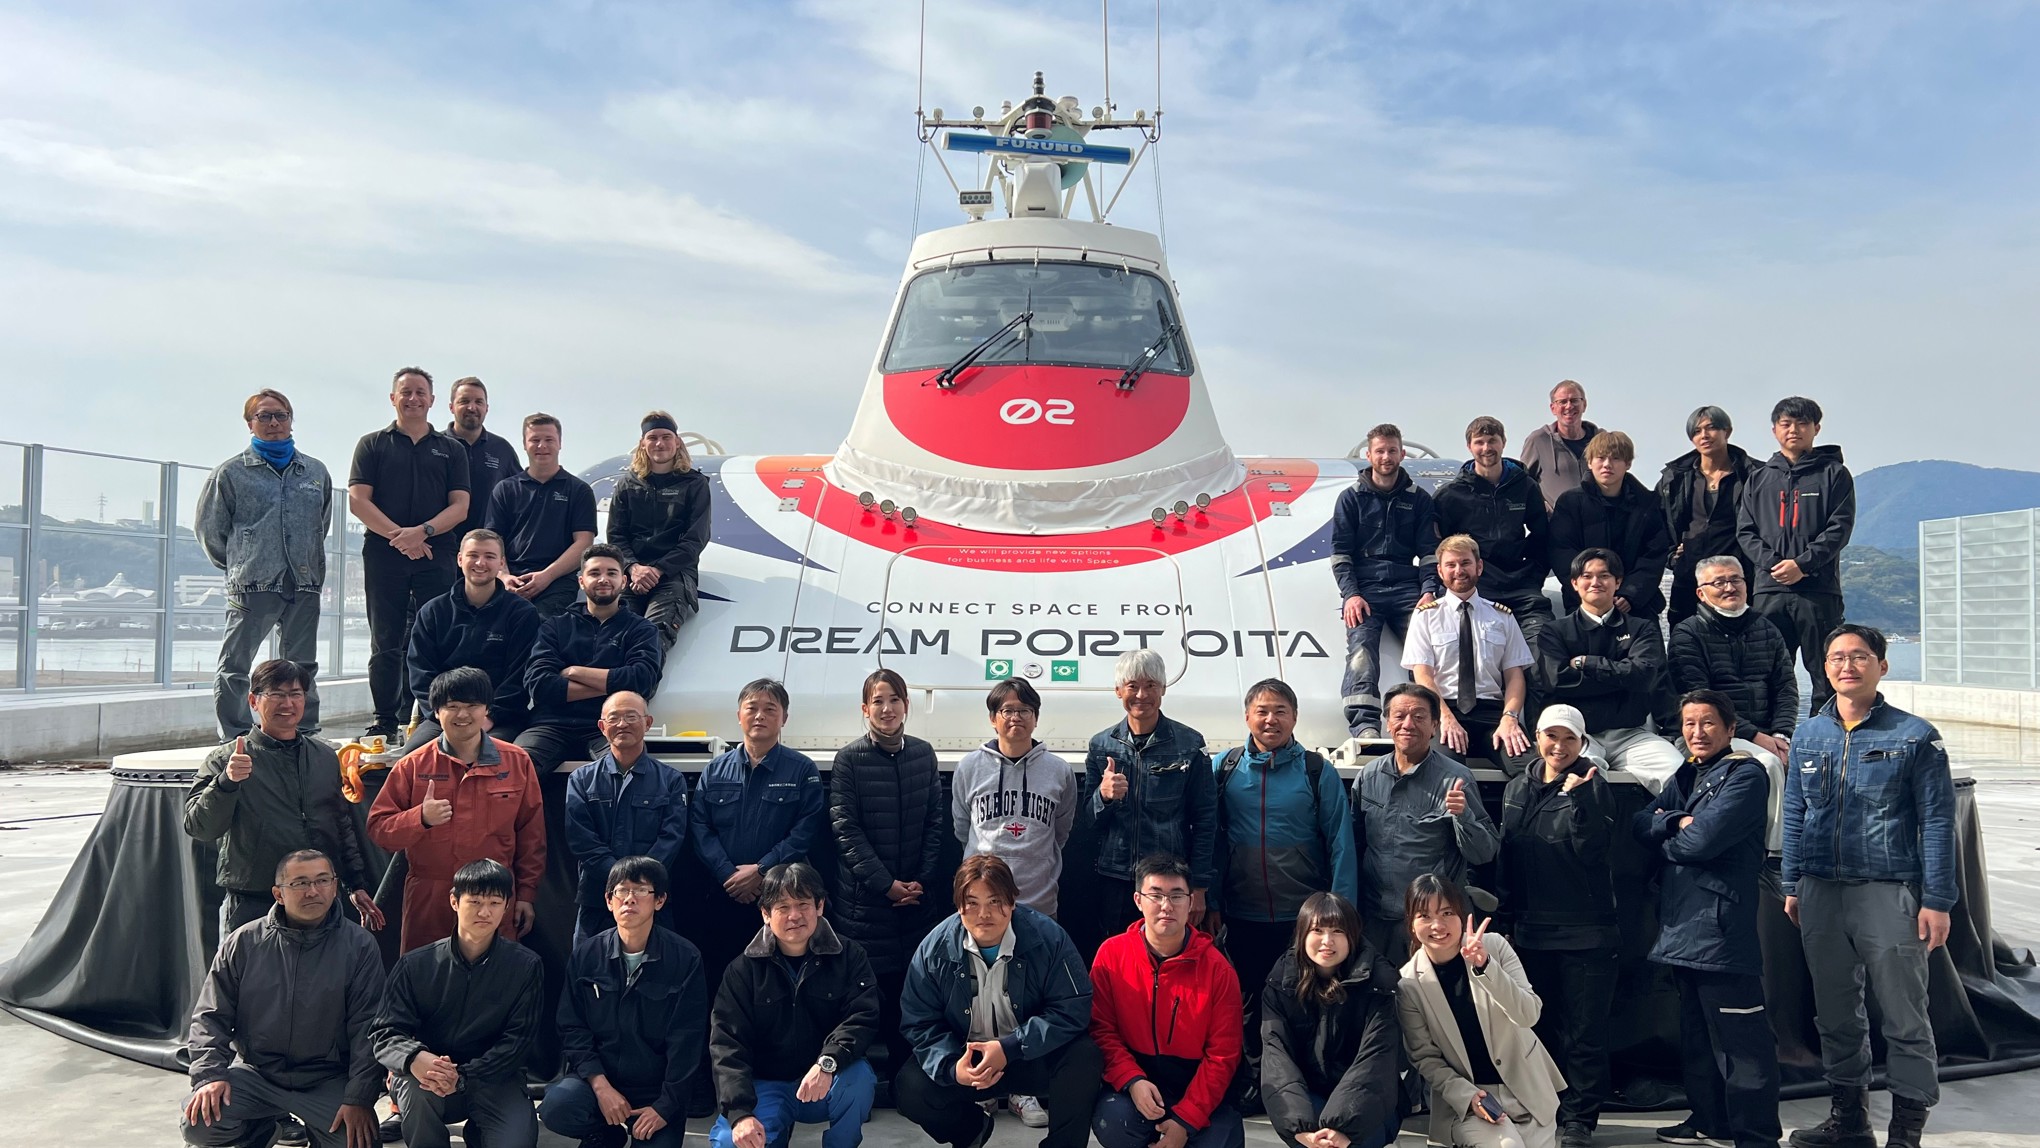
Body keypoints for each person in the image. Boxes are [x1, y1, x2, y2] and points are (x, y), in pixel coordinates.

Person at [1782, 625, 1957, 1148]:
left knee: (1905, 1016)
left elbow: (1938, 822)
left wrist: (1938, 900)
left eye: (1859, 656)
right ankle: (1849, 1120)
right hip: (1819, 890)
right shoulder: (1809, 734)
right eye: (1837, 657)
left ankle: (1905, 1131)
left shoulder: (1915, 736)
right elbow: (1795, 813)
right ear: (1824, 667)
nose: (1847, 666)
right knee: (1835, 1013)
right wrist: (1792, 882)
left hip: (1889, 891)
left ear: (1882, 666)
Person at [1632, 690, 1779, 1148]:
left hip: (1721, 929)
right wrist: (1676, 823)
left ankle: (1756, 1136)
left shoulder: (1745, 776)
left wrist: (1669, 832)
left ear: (1731, 729)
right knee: (1696, 1036)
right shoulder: (1688, 772)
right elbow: (1641, 822)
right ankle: (1709, 1123)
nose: (1697, 732)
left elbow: (1701, 844)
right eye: (1689, 723)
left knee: (1742, 1039)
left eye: (1708, 722)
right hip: (1681, 927)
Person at [1216, 678, 1359, 1108]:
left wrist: (1340, 914)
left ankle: (1304, 1082)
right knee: (1249, 1005)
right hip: (1242, 913)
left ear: (1295, 717)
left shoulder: (1317, 771)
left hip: (1303, 920)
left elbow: (1341, 843)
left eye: (1280, 711)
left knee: (1305, 1003)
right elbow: (1207, 836)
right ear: (1247, 716)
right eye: (1262, 710)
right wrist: (1211, 901)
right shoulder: (1225, 767)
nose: (1270, 719)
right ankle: (1257, 1083)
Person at [895, 854, 1103, 1148]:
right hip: (967, 1058)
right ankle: (971, 1131)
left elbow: (1073, 1008)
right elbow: (919, 1021)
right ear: (958, 905)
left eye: (995, 901)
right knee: (910, 1087)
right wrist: (952, 1067)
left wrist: (1011, 1047)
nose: (984, 914)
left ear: (1013, 901)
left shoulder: (1049, 939)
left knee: (1083, 1055)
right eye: (972, 903)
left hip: (1029, 1055)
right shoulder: (934, 950)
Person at [182, 850, 385, 1148]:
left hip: (327, 1078)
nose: (313, 891)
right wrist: (210, 1076)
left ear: (334, 886)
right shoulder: (244, 942)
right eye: (300, 883)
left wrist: (359, 1098)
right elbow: (210, 1016)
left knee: (358, 1141)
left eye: (322, 880)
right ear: (278, 894)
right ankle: (260, 1131)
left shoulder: (359, 946)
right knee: (200, 1123)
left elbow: (368, 1028)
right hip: (258, 1073)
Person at [185, 659, 380, 936]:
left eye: (295, 694)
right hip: (254, 899)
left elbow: (341, 824)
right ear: (253, 701)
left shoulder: (324, 757)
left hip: (318, 897)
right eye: (276, 694)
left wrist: (355, 883)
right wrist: (226, 782)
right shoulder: (225, 759)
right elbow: (198, 827)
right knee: (247, 965)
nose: (287, 704)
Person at [1499, 706, 1618, 1148]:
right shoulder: (1516, 787)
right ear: (1536, 737)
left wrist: (1582, 800)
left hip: (1586, 934)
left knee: (1585, 1035)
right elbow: (1507, 858)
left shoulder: (1593, 785)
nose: (1559, 746)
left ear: (1582, 743)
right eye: (1552, 736)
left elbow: (1594, 852)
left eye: (1570, 738)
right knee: (1537, 1032)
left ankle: (1579, 1121)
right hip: (1530, 934)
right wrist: (1506, 922)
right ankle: (1545, 1112)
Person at [367, 666, 545, 953]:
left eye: (472, 706)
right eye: (452, 706)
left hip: (494, 897)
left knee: (496, 973)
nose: (463, 715)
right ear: (437, 712)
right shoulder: (412, 765)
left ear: (486, 709)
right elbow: (379, 829)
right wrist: (419, 818)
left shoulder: (516, 762)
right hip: (430, 895)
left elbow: (532, 835)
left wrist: (525, 894)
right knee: (424, 972)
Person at [372, 859, 544, 1148]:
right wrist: (414, 1057)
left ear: (506, 906)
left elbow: (518, 1041)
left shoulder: (525, 966)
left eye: (494, 902)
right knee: (414, 1086)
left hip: (496, 1080)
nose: (484, 912)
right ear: (454, 901)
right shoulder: (416, 965)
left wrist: (464, 1077)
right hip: (430, 1077)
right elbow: (385, 1032)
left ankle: (480, 1130)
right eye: (474, 901)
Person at [828, 668, 948, 1079]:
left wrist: (920, 882)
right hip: (865, 908)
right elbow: (846, 830)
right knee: (866, 998)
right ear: (865, 709)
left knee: (912, 997)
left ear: (906, 706)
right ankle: (859, 1083)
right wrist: (886, 885)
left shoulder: (923, 754)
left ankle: (907, 1083)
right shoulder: (849, 759)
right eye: (877, 701)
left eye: (894, 699)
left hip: (916, 903)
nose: (887, 708)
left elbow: (935, 822)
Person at [708, 862, 881, 1148]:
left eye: (803, 904)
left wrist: (828, 1062)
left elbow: (862, 1017)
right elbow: (727, 1045)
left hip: (826, 1079)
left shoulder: (850, 956)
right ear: (766, 914)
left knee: (859, 1078)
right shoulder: (743, 970)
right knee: (730, 1141)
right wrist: (740, 1113)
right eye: (783, 907)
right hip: (767, 1085)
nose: (794, 916)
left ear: (820, 906)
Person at [542, 856, 708, 1148]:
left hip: (656, 1091)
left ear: (659, 900)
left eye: (641, 890)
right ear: (609, 901)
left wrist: (665, 1106)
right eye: (621, 891)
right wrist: (600, 1085)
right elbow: (572, 1027)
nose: (630, 899)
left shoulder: (685, 958)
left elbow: (688, 1040)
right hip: (600, 1080)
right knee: (558, 1106)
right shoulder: (587, 954)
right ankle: (606, 1133)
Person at [196, 388, 333, 740]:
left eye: (281, 415)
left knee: (303, 666)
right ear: (250, 423)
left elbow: (321, 523)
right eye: (264, 416)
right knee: (235, 666)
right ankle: (236, 736)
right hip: (252, 584)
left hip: (303, 582)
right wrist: (242, 562)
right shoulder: (229, 473)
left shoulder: (314, 472)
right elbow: (211, 532)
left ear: (291, 420)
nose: (274, 423)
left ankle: (305, 733)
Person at [347, 366, 471, 739]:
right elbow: (358, 501)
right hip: (384, 554)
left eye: (420, 392)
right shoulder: (372, 444)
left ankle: (436, 714)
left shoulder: (451, 449)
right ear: (393, 398)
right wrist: (400, 538)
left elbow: (460, 506)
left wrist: (423, 532)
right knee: (385, 640)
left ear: (432, 400)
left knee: (438, 636)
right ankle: (385, 719)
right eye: (406, 392)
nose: (413, 399)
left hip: (437, 552)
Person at [1398, 874, 1566, 1148]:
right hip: (1469, 1101)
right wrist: (1467, 1096)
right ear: (1411, 924)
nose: (1437, 925)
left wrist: (1485, 966)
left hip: (1528, 1093)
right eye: (1424, 916)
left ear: (1462, 914)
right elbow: (1424, 1057)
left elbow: (1529, 1014)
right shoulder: (1408, 984)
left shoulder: (1495, 946)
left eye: (1447, 913)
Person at [1089, 854, 1243, 1148]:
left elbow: (1223, 1055)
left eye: (1176, 896)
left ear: (1191, 901)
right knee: (1116, 1121)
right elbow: (1101, 1030)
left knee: (1218, 1138)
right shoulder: (1111, 955)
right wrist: (1131, 1080)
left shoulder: (1218, 969)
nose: (1166, 906)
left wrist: (1187, 1119)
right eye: (1156, 895)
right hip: (1138, 1080)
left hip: (1196, 1085)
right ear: (1138, 900)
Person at [692, 679, 827, 988]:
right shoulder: (715, 770)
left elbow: (805, 830)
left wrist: (762, 871)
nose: (759, 716)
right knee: (723, 976)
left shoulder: (802, 769)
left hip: (782, 899)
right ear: (739, 715)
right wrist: (728, 874)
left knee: (777, 979)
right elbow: (700, 827)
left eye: (770, 709)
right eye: (752, 708)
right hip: (725, 895)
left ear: (784, 718)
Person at [1351, 681, 1499, 961]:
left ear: (1434, 726)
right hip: (1377, 921)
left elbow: (1484, 853)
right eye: (1399, 716)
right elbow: (1355, 847)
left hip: (1434, 928)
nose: (1408, 724)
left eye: (1419, 717)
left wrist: (1463, 816)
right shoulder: (1368, 776)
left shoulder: (1456, 779)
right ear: (1387, 723)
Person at [1085, 648, 1218, 939]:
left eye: (1151, 685)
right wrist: (1103, 798)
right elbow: (1089, 822)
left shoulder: (1189, 743)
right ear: (1118, 691)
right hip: (1117, 880)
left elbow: (1206, 819)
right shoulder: (1100, 745)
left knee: (1171, 955)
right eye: (1132, 686)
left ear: (1163, 689)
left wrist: (1198, 887)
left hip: (1169, 882)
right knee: (1120, 957)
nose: (1141, 695)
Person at [1668, 555, 1796, 856]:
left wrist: (1781, 734)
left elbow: (1786, 686)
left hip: (1766, 734)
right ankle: (1774, 855)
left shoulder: (1767, 629)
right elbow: (1700, 697)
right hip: (1713, 734)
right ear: (1701, 593)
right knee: (1767, 763)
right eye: (1719, 582)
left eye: (1735, 579)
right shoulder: (1688, 633)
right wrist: (1757, 736)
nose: (1729, 587)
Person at [1736, 396, 1856, 712]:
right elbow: (1746, 532)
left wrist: (1802, 565)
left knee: (1826, 674)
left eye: (1802, 423)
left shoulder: (1834, 474)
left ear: (1816, 429)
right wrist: (1775, 565)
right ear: (1774, 430)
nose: (1794, 430)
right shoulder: (1759, 478)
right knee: (1768, 674)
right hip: (1769, 591)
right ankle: (1774, 736)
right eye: (1786, 424)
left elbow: (1839, 529)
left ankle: (1826, 734)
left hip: (1818, 590)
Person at [1259, 892, 1403, 1148]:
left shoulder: (1378, 981)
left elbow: (1377, 1058)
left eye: (1338, 931)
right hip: (1309, 1098)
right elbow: (1276, 1056)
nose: (1327, 941)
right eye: (1317, 930)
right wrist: (1300, 1126)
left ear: (1353, 935)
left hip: (1369, 1105)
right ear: (1302, 934)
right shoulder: (1281, 981)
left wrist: (1343, 1128)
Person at [1532, 548, 1684, 791]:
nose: (1596, 582)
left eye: (1604, 576)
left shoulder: (1642, 629)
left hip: (1631, 734)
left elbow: (1644, 676)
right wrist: (1623, 676)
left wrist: (1586, 664)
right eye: (1587, 576)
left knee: (1679, 774)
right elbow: (1557, 681)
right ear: (1574, 583)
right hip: (1577, 736)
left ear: (1618, 582)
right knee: (1576, 785)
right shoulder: (1554, 631)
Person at [1331, 422, 1439, 741]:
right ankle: (1364, 723)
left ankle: (1424, 722)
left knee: (1423, 653)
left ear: (1402, 454)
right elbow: (1340, 554)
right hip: (1366, 589)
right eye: (1380, 451)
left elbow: (1429, 553)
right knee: (1362, 649)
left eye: (1392, 450)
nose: (1386, 457)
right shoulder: (1351, 499)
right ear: (1369, 455)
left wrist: (1428, 591)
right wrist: (1351, 595)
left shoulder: (1419, 500)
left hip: (1407, 588)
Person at [517, 543, 666, 770]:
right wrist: (614, 685)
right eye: (594, 573)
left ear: (623, 581)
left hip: (612, 725)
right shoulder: (555, 627)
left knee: (629, 767)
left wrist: (574, 671)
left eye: (611, 573)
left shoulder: (642, 630)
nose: (603, 579)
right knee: (516, 766)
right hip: (550, 726)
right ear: (581, 581)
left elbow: (643, 680)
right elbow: (539, 684)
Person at [1402, 534, 1536, 774]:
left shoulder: (1502, 617)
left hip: (1493, 715)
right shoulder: (1425, 617)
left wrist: (1510, 717)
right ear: (1440, 571)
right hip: (1444, 710)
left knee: (1531, 772)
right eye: (1450, 565)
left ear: (1479, 567)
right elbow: (1423, 676)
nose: (1459, 570)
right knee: (1443, 775)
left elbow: (1515, 676)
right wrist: (1444, 717)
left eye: (1465, 563)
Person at [565, 691, 691, 942]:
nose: (622, 724)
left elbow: (671, 838)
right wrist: (617, 880)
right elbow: (581, 839)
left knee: (659, 963)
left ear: (648, 723)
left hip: (650, 897)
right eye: (614, 718)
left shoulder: (671, 780)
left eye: (631, 717)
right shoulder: (581, 779)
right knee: (588, 963)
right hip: (598, 896)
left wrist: (639, 883)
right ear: (602, 727)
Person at [401, 527, 540, 752]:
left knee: (492, 757)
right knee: (413, 759)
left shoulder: (522, 614)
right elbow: (420, 672)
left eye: (489, 556)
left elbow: (520, 675)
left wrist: (490, 716)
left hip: (499, 719)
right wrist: (445, 714)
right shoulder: (433, 612)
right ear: (459, 559)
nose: (480, 563)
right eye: (473, 555)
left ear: (501, 563)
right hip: (443, 718)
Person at [953, 677, 1078, 918]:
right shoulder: (969, 767)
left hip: (1039, 903)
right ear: (993, 718)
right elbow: (962, 829)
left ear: (1036, 718)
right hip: (982, 905)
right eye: (1007, 710)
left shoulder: (1059, 770)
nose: (1016, 717)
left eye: (1024, 710)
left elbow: (1061, 831)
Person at [1434, 416, 1554, 645]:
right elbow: (1439, 548)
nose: (1486, 448)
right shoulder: (1450, 496)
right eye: (1479, 442)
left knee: (1544, 643)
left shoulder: (1525, 486)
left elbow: (1542, 535)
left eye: (1492, 440)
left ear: (1503, 443)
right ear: (1469, 447)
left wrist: (1534, 573)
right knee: (1477, 648)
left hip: (1521, 586)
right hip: (1475, 588)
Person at [610, 411, 713, 650]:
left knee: (653, 639)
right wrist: (633, 568)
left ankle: (641, 675)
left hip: (674, 575)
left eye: (666, 437)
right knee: (613, 637)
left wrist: (658, 570)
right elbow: (616, 535)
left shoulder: (694, 484)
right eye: (653, 437)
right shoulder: (627, 485)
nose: (659, 443)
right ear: (643, 443)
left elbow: (696, 539)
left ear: (677, 442)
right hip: (632, 576)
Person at [1547, 431, 1673, 622]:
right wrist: (1591, 592)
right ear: (1590, 462)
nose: (1607, 464)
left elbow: (1653, 555)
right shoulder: (1570, 502)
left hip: (1636, 605)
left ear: (1628, 464)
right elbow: (1561, 552)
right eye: (1600, 458)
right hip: (1583, 603)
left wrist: (1630, 593)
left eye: (1616, 458)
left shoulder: (1647, 503)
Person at [486, 412, 598, 618]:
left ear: (560, 443)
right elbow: (493, 540)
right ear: (524, 444)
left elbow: (584, 542)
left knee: (540, 628)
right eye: (535, 440)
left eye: (549, 440)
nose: (542, 446)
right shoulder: (505, 489)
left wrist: (547, 576)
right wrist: (503, 576)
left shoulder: (579, 490)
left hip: (557, 583)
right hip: (510, 581)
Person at [1657, 406, 1755, 628]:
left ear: (1727, 431)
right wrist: (1671, 556)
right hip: (1689, 576)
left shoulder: (1752, 475)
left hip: (1739, 576)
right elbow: (1657, 522)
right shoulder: (1675, 478)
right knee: (1685, 639)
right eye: (1697, 431)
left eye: (1711, 428)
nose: (1704, 435)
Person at [443, 376, 522, 547]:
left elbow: (520, 496)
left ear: (487, 408)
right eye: (464, 401)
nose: (472, 407)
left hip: (487, 550)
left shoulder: (502, 449)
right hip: (441, 547)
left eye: (479, 402)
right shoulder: (436, 446)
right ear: (451, 407)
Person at [1520, 380, 1601, 513]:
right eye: (1562, 402)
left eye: (1574, 400)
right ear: (1553, 408)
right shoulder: (1538, 441)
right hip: (1557, 524)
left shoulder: (1600, 440)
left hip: (1599, 522)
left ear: (1584, 405)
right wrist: (1544, 511)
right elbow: (1522, 485)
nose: (1569, 406)